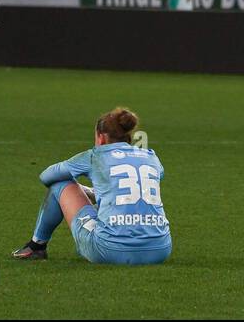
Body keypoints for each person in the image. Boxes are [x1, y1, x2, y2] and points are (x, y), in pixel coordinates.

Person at [11, 107, 171, 265]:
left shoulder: (96, 156)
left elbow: (46, 176)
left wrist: (82, 190)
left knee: (59, 184)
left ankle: (36, 247)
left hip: (109, 251)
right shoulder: (151, 156)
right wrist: (98, 193)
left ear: (101, 137)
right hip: (160, 250)